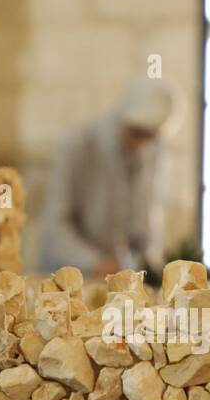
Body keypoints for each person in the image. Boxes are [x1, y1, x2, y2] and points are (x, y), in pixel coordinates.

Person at [38, 76, 178, 277]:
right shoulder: (78, 144)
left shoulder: (152, 151)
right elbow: (56, 226)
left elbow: (146, 223)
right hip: (67, 275)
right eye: (138, 134)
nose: (142, 144)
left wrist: (149, 259)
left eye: (150, 137)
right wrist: (94, 262)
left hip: (115, 279)